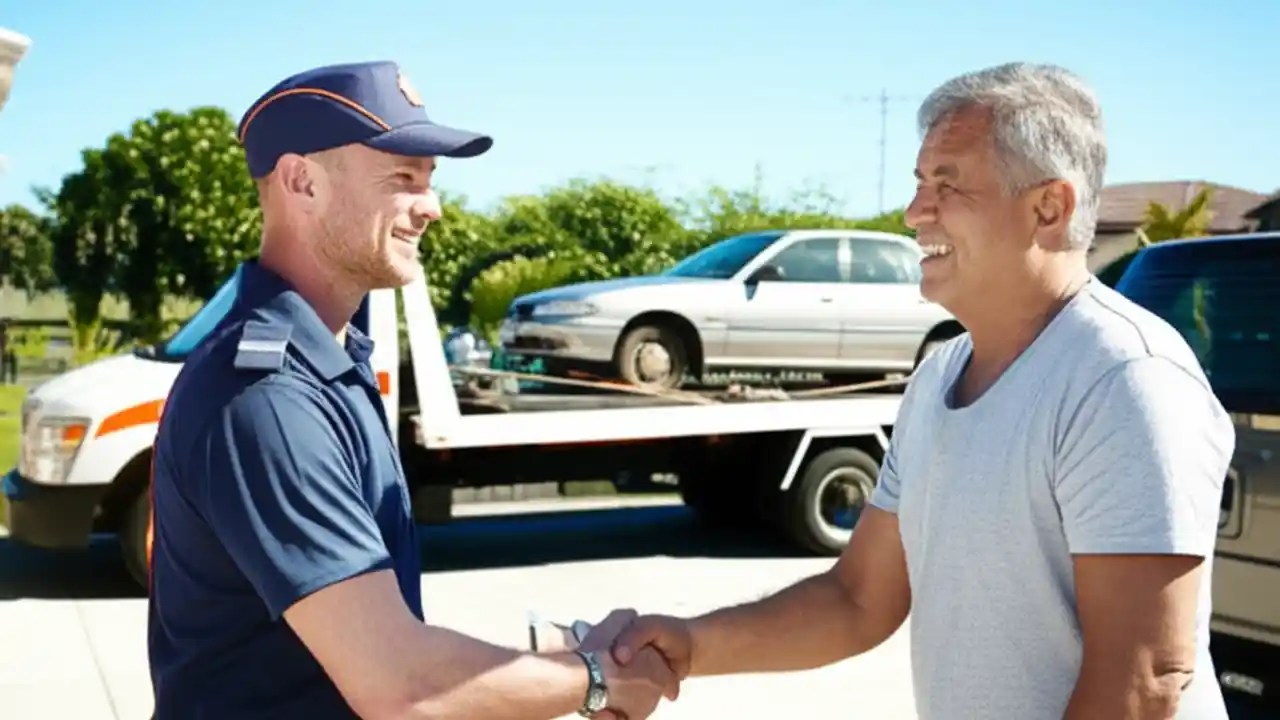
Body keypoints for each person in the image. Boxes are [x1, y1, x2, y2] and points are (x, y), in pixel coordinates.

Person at [591, 62, 1235, 720]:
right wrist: (691, 645)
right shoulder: (939, 377)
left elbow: (1141, 679)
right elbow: (856, 599)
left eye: (947, 186)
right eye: (920, 183)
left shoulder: (1124, 380)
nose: (913, 213)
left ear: (1048, 208)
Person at [146, 60, 675, 720]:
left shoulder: (328, 359)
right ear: (301, 181)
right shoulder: (268, 397)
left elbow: (364, 634)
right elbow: (399, 684)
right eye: (403, 178)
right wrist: (598, 679)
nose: (432, 207)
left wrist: (561, 651)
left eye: (430, 180)